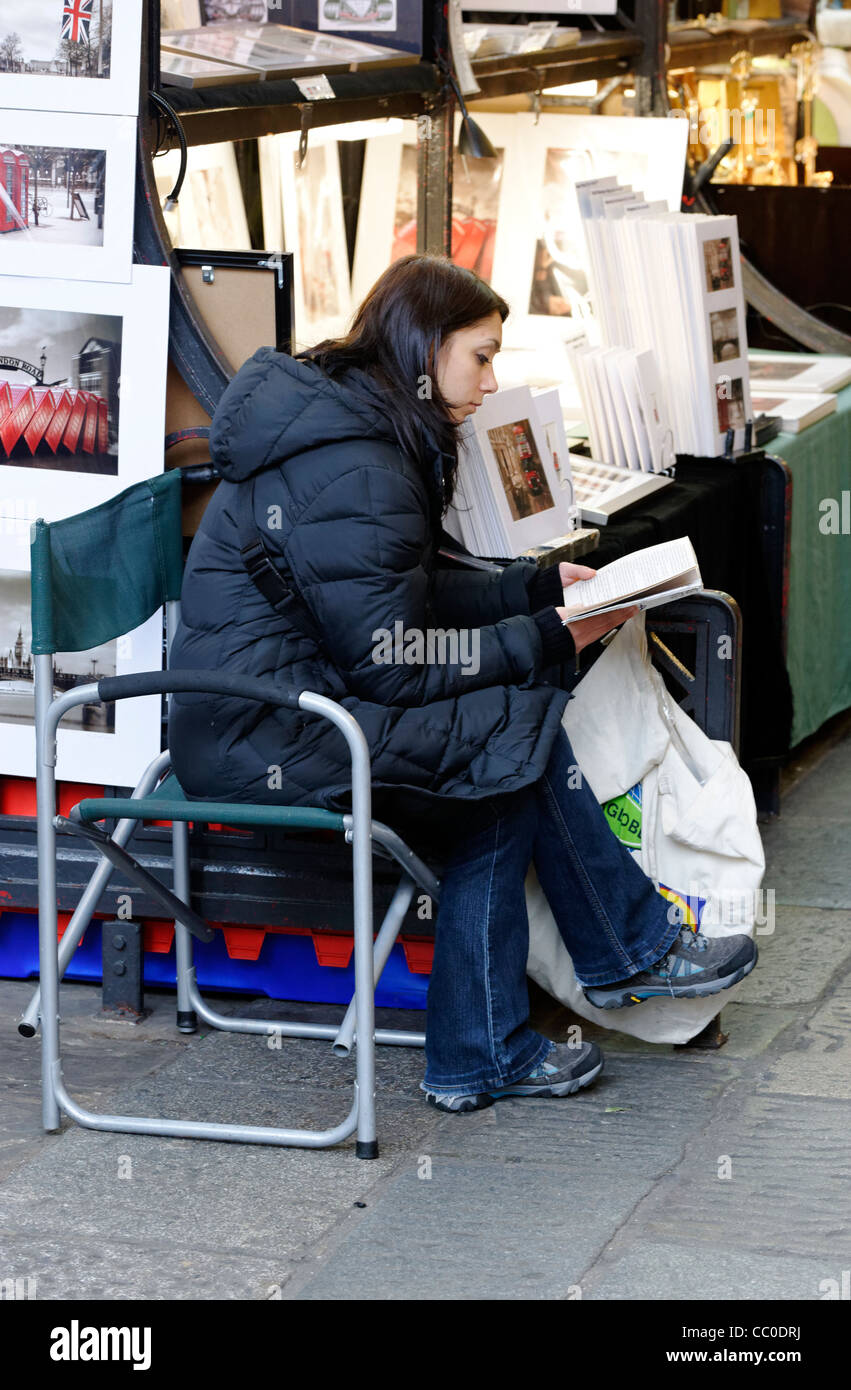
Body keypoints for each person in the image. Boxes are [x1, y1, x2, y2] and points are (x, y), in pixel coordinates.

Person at [169, 254, 757, 1114]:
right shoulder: (362, 461)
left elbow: (392, 596)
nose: (490, 381)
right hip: (268, 729)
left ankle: (540, 1013)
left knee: (507, 743)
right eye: (480, 356)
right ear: (423, 347)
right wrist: (550, 633)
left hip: (298, 698)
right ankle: (591, 978)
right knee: (505, 747)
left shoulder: (354, 426)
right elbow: (393, 657)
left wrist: (529, 591)